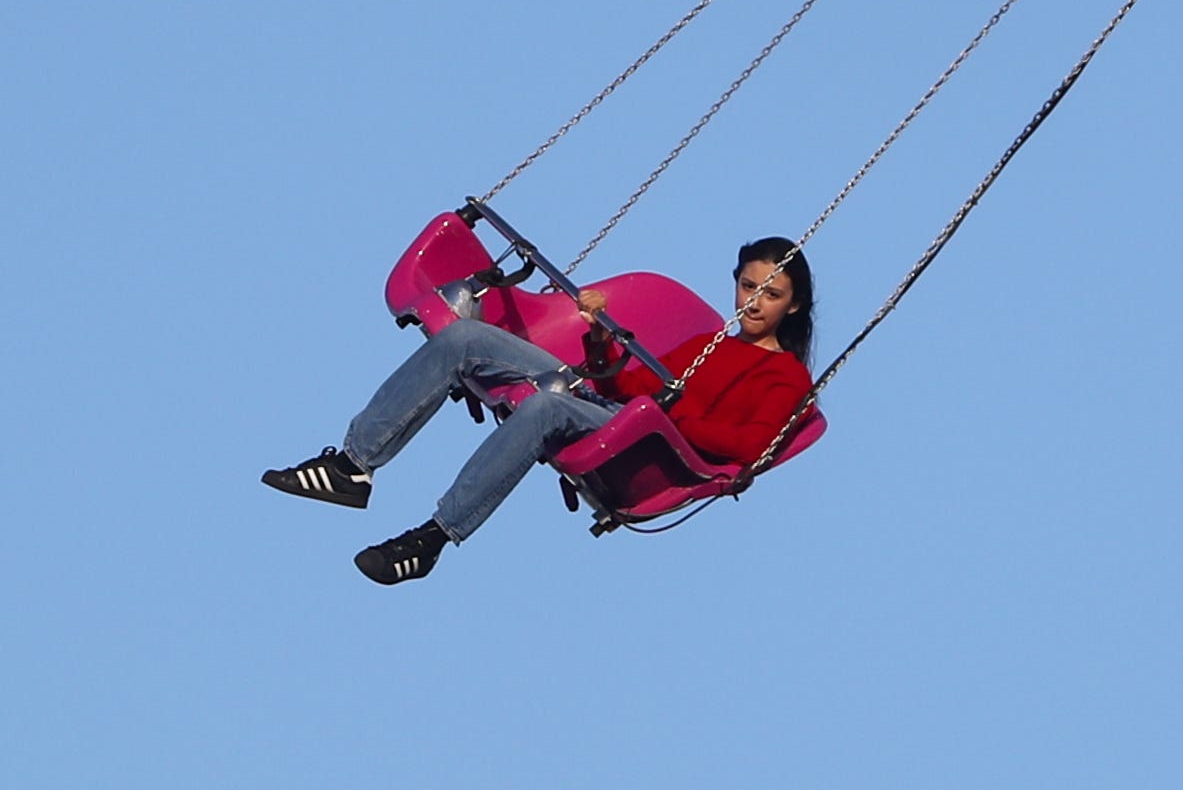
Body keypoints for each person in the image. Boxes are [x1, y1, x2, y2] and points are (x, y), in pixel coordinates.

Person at [262, 238, 817, 585]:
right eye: (748, 286)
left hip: (650, 446)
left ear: (791, 304)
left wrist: (668, 415)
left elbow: (748, 446)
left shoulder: (787, 377)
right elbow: (627, 381)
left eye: (770, 294)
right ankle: (352, 466)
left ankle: (431, 538)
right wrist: (599, 337)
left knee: (546, 410)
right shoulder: (710, 345)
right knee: (465, 338)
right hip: (613, 408)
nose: (753, 302)